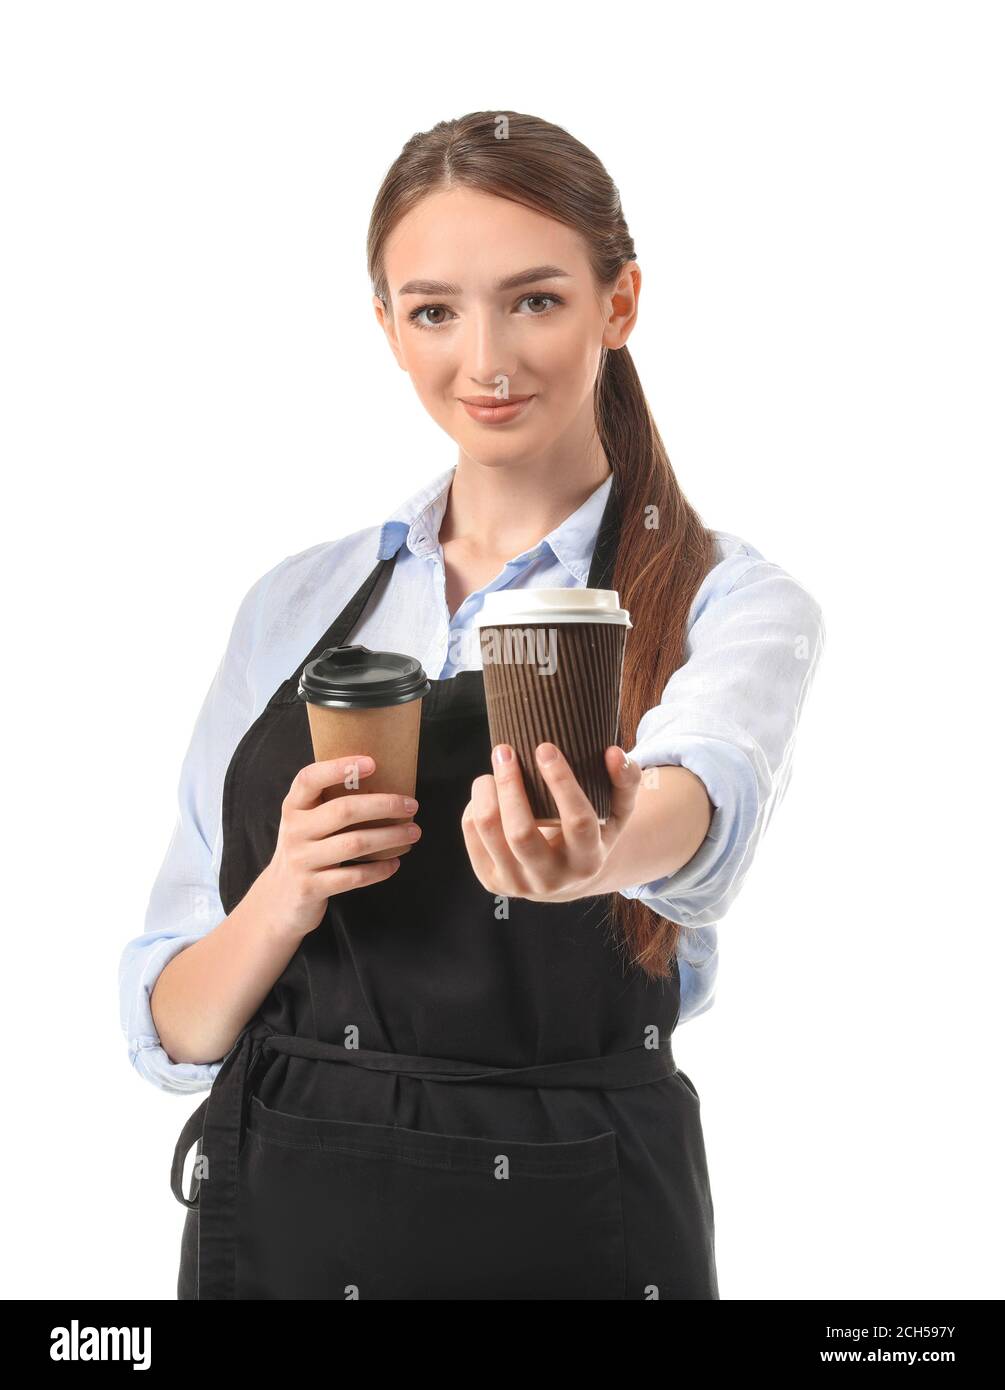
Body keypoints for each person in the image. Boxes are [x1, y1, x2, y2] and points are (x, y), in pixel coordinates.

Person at [118, 110, 825, 1300]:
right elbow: (177, 1024)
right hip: (288, 1226)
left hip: (577, 1226)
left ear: (621, 302)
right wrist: (287, 892)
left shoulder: (728, 600)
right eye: (435, 309)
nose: (486, 359)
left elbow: (701, 798)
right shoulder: (294, 603)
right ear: (388, 326)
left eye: (536, 300)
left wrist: (597, 847)